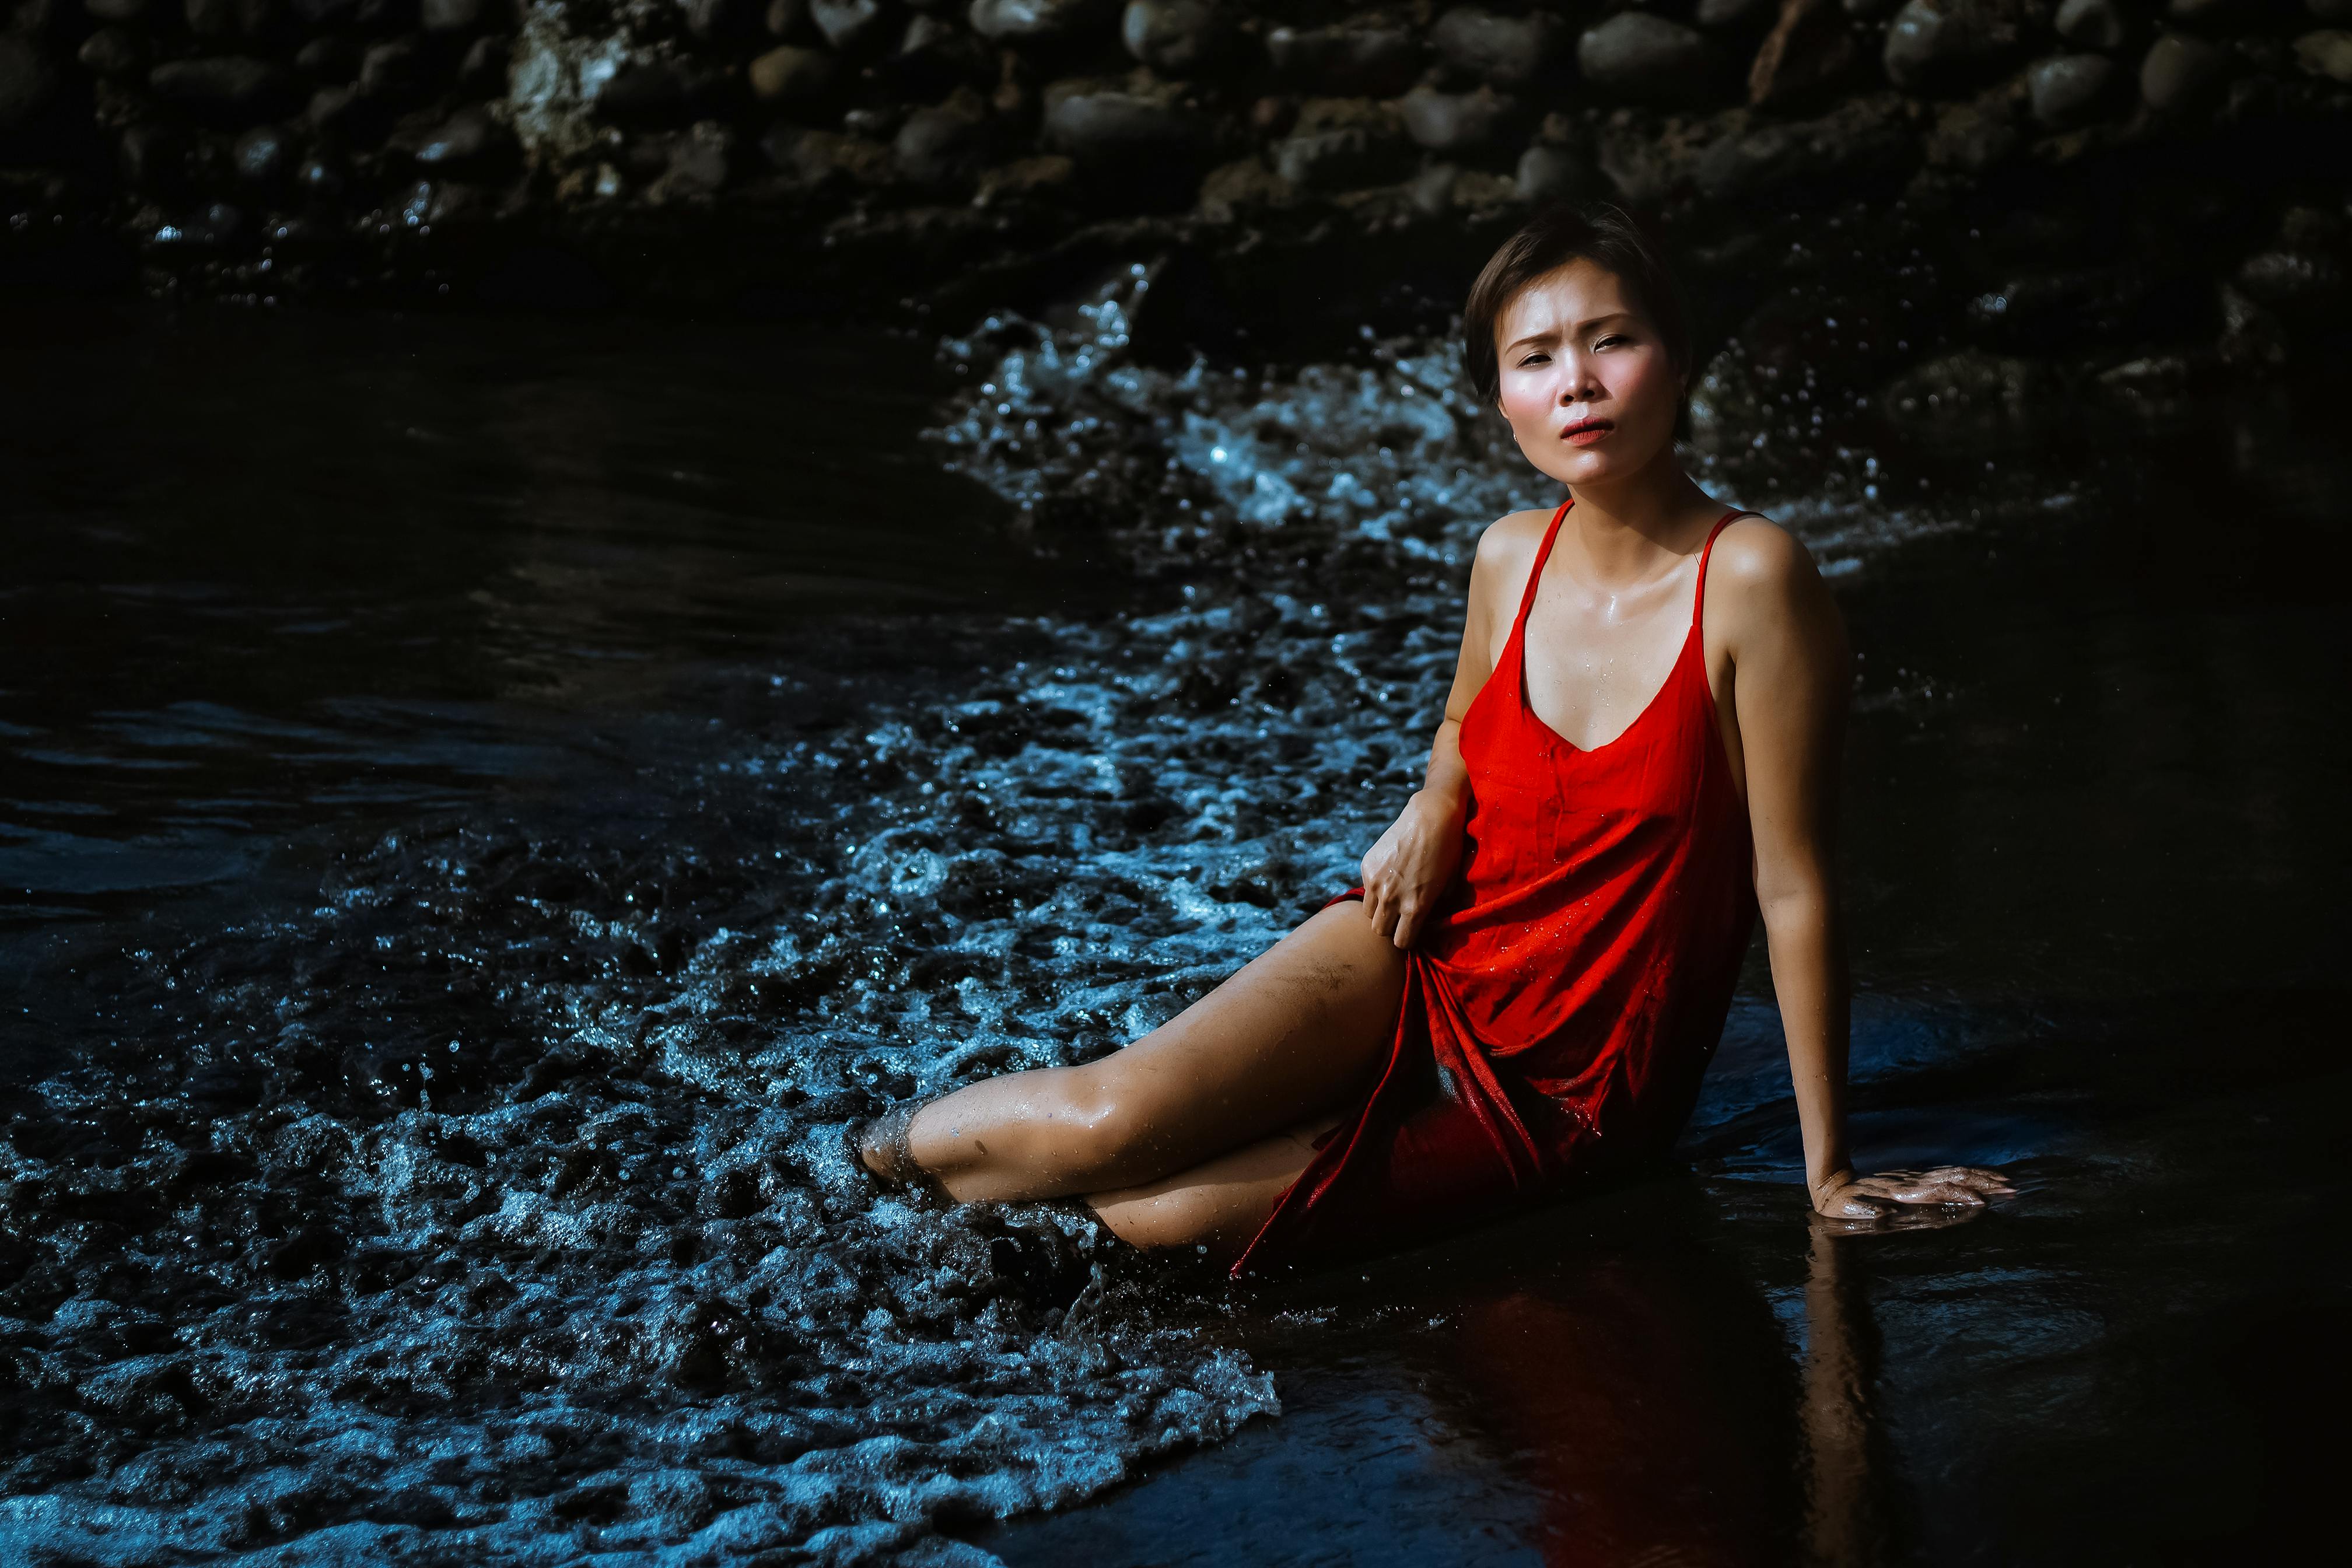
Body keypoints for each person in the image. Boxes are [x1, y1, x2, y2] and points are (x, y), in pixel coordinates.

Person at [849, 200, 2014, 1279]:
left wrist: (1831, 1175)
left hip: (1566, 1083)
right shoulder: (1510, 555)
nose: (1578, 385)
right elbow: (1467, 719)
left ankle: (926, 1232)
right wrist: (1433, 806)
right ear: (1502, 401)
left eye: (1610, 341)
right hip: (1421, 952)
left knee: (1164, 1220)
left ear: (1681, 359)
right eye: (1536, 358)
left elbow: (1794, 886)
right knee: (1111, 1122)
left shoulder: (1754, 578)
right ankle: (848, 1167)